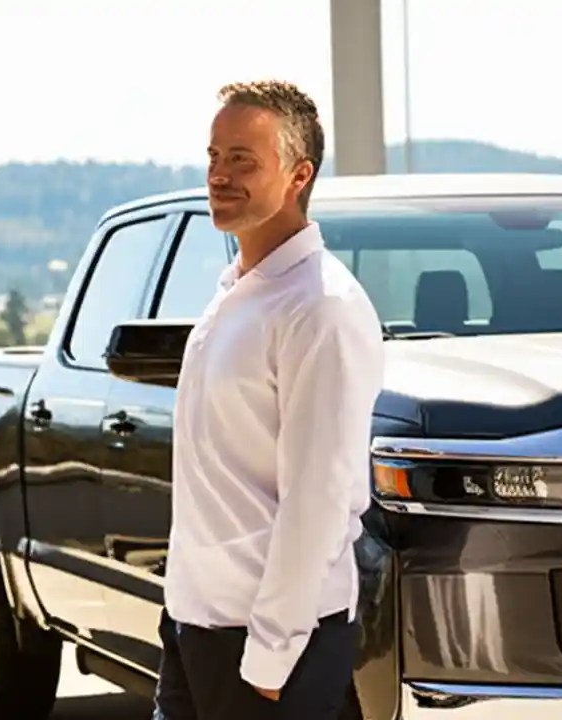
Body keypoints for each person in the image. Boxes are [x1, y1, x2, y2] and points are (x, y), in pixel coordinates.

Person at [153, 80, 385, 719]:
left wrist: (270, 655)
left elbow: (319, 497)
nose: (219, 176)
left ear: (298, 175)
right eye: (214, 156)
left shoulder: (320, 309)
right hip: (196, 625)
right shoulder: (235, 293)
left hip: (272, 651)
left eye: (242, 160)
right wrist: (179, 615)